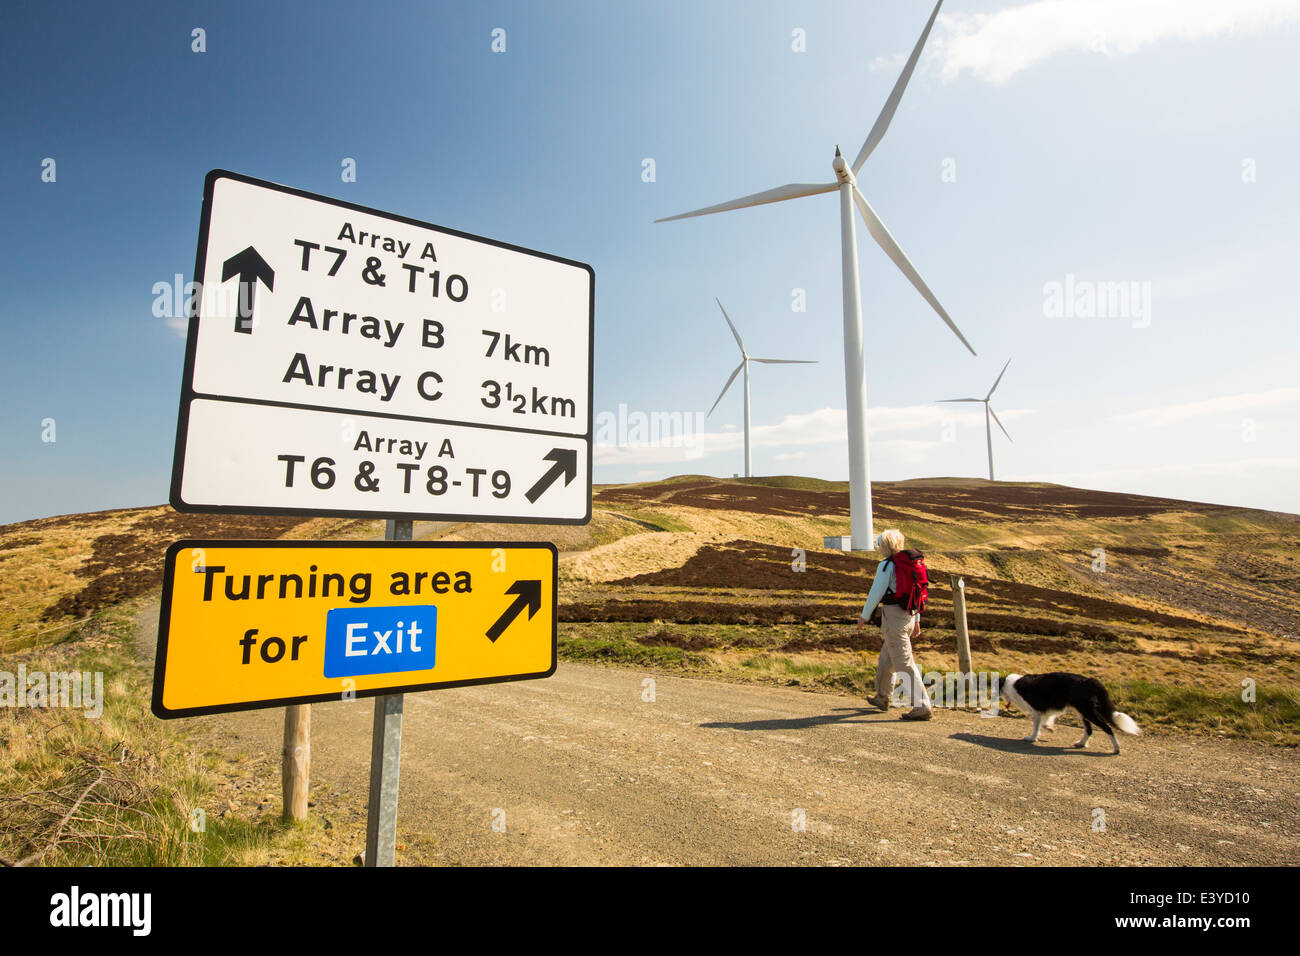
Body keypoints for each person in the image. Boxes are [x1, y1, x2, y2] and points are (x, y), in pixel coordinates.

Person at [857, 528, 932, 720]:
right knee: (886, 659)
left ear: (885, 546)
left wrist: (864, 616)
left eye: (880, 543)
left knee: (904, 663)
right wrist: (916, 620)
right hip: (907, 617)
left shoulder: (887, 566)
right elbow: (917, 594)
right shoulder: (909, 564)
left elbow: (876, 592)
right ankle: (882, 696)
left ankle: (922, 705)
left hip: (894, 620)